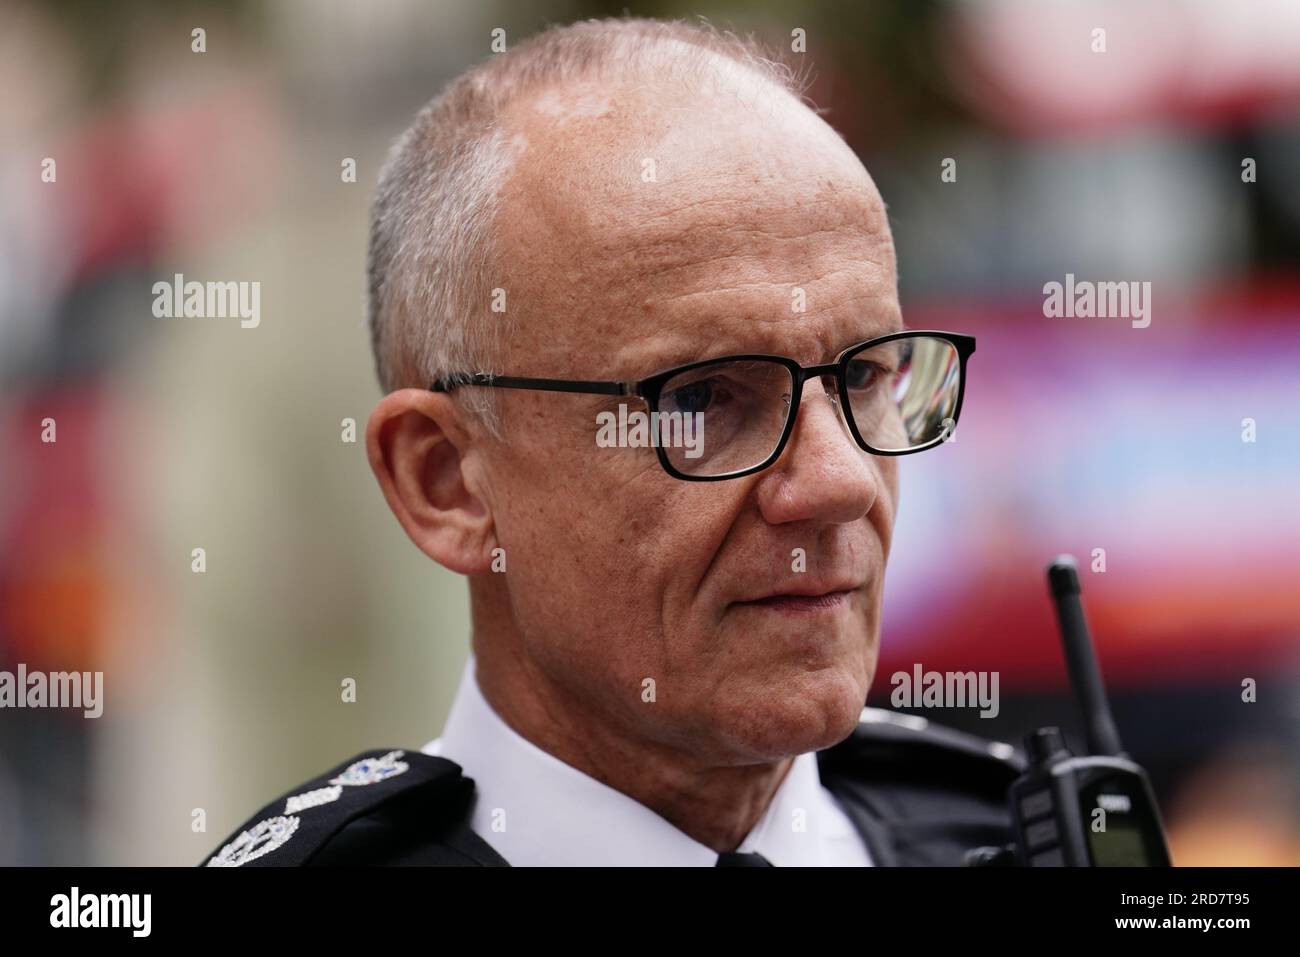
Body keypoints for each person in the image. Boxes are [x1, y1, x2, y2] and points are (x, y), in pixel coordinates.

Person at [204, 16, 1018, 868]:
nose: (839, 480)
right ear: (445, 481)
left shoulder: (1016, 837)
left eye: (861, 377)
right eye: (702, 399)